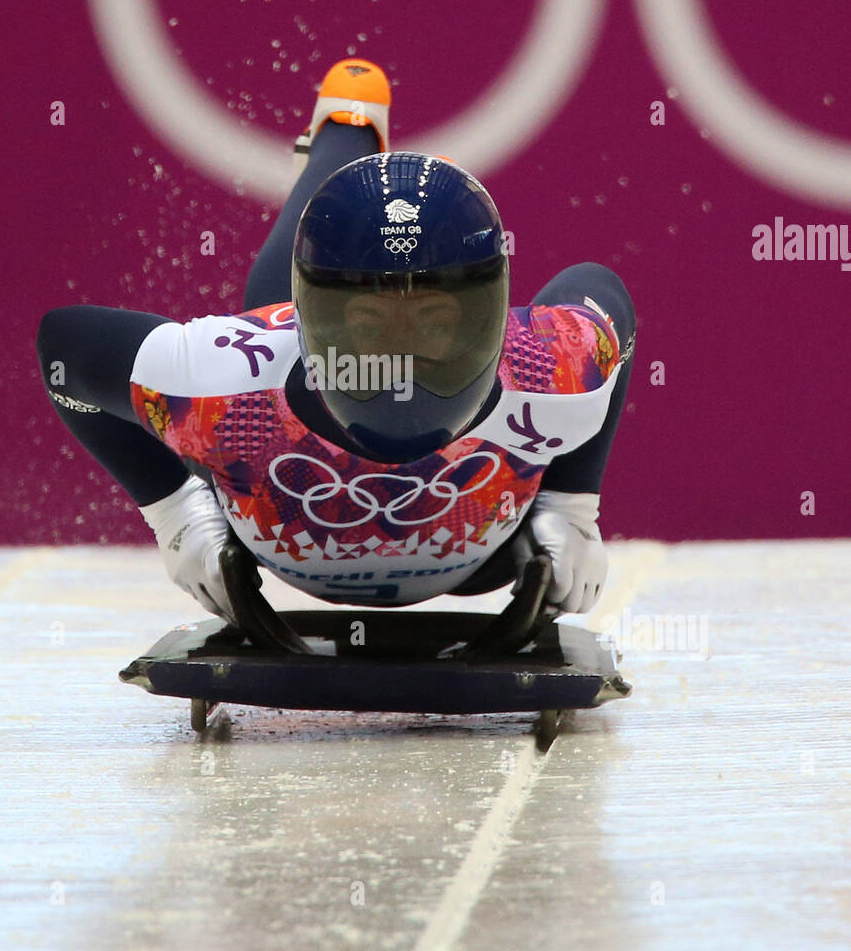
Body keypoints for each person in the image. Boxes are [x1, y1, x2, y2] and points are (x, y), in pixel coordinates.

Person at [36, 59, 635, 624]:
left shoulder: (552, 365)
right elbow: (63, 348)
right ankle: (346, 129)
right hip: (440, 526)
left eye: (430, 321)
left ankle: (354, 155)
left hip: (486, 561)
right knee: (262, 324)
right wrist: (175, 511)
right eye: (369, 325)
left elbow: (66, 351)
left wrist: (571, 505)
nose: (401, 363)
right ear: (311, 313)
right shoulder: (217, 382)